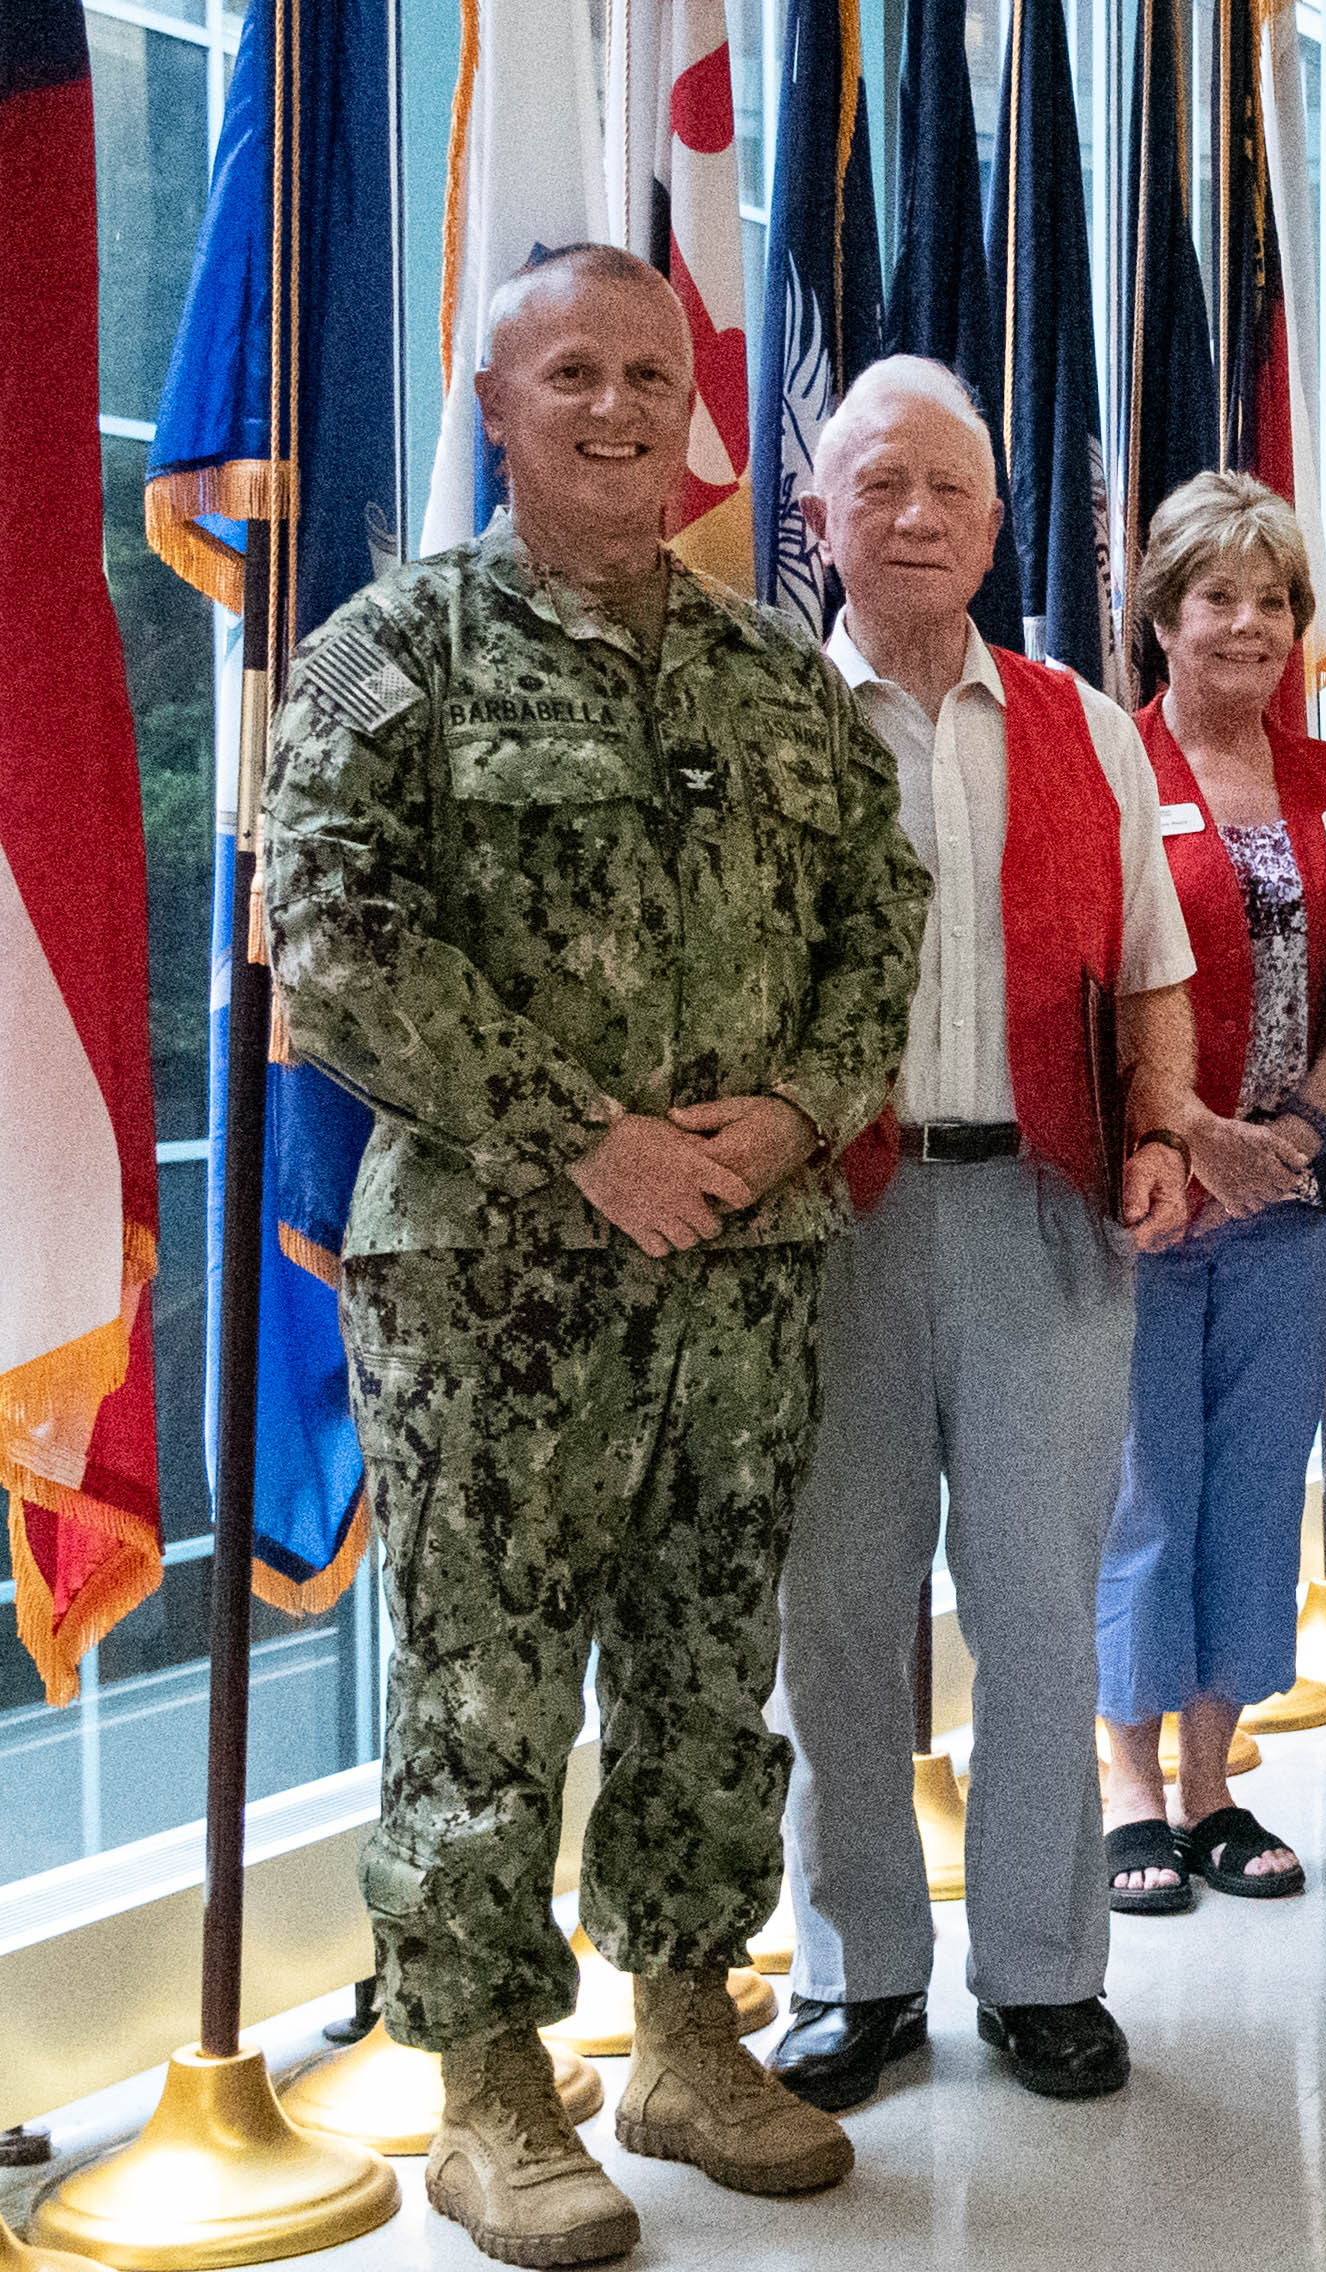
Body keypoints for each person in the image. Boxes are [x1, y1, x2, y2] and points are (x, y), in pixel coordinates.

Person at [260, 246, 926, 2267]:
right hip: (491, 1278)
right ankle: (481, 2085)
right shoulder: (395, 655)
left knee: (711, 1657)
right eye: (574, 371)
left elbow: (878, 918)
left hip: (742, 1264)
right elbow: (339, 939)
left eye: (652, 371)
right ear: (495, 399)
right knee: (486, 1680)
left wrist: (806, 1106)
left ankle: (687, 2031)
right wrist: (590, 1140)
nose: (620, 407)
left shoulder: (770, 679)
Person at [765, 357, 1202, 2120]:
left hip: (1044, 1213)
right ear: (820, 519)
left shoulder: (1084, 722)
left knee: (1039, 1616)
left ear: (1000, 518)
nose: (919, 517)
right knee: (841, 1617)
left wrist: (1164, 1128)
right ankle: (858, 1971)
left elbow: (1155, 964)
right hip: (828, 1228)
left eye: (951, 486)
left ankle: (1042, 1974)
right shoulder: (769, 719)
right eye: (880, 486)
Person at [1093, 472, 1326, 1912]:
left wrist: (1289, 1137)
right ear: (1162, 614)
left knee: (1249, 1492)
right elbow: (1075, 990)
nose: (1249, 624)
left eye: (1274, 599)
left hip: (1290, 1202)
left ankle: (1220, 1783)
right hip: (1144, 1198)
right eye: (1217, 596)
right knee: (1142, 1491)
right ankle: (1127, 1788)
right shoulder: (1107, 767)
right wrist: (1188, 1137)